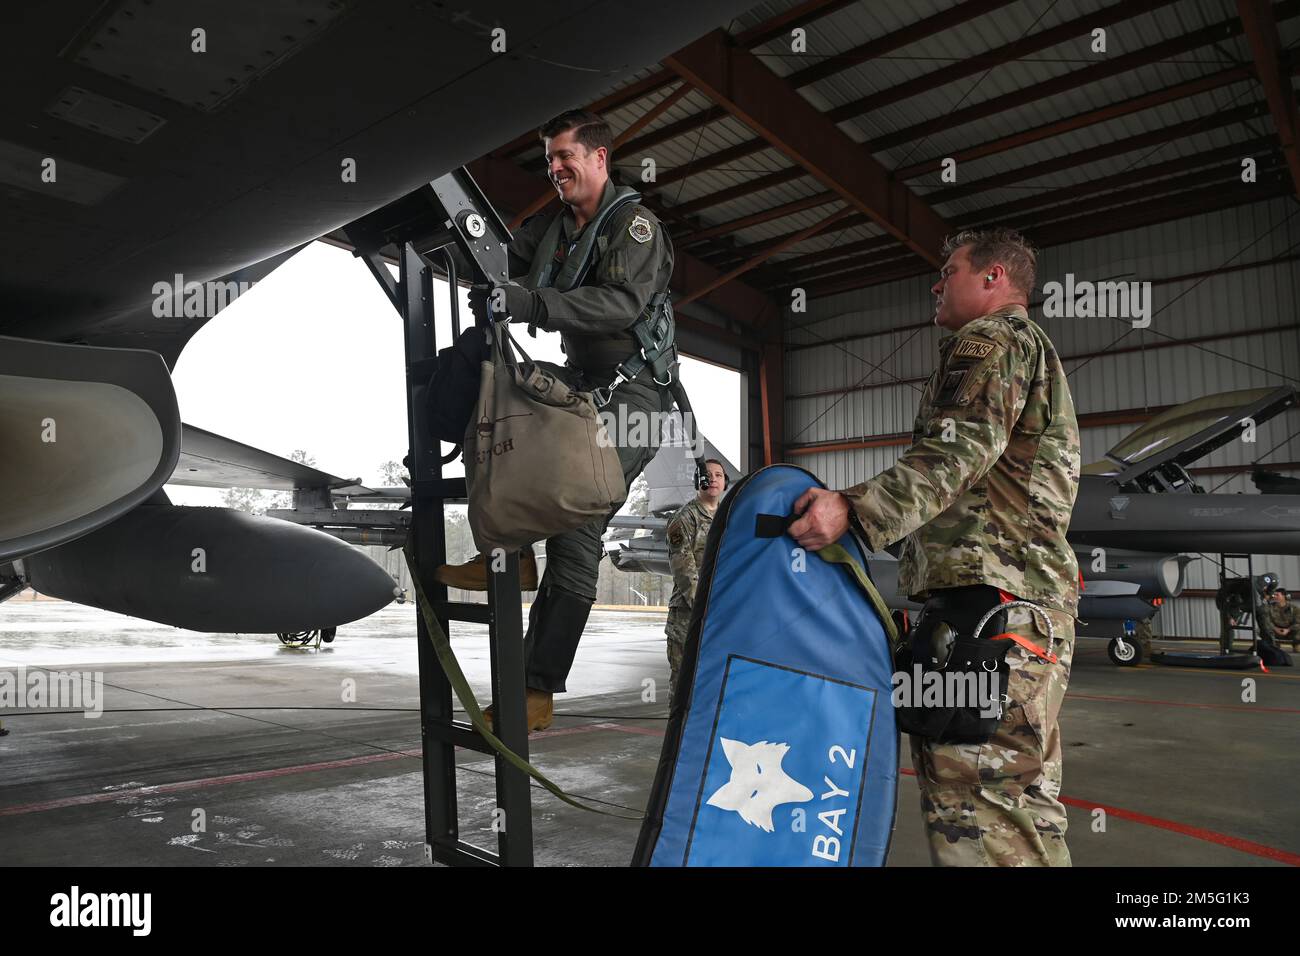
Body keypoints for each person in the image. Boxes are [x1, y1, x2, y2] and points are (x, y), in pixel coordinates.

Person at [788, 228, 1081, 867]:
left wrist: (853, 509)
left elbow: (955, 451)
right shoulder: (1033, 350)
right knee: (1023, 807)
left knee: (973, 811)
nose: (936, 283)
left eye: (949, 270)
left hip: (990, 610)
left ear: (994, 278)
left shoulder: (991, 341)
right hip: (1026, 614)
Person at [437, 109, 676, 732]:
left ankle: (535, 693)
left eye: (566, 156)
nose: (556, 168)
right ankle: (510, 555)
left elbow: (621, 304)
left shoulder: (634, 225)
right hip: (583, 387)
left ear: (599, 157)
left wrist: (528, 301)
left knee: (577, 520)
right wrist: (474, 265)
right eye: (550, 159)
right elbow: (504, 263)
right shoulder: (556, 226)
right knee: (499, 396)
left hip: (637, 397)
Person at [664, 460, 727, 703]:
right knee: (684, 685)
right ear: (697, 480)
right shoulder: (684, 518)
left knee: (714, 683)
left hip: (720, 614)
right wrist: (706, 608)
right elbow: (684, 570)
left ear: (724, 482)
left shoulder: (727, 518)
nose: (713, 479)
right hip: (688, 616)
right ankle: (678, 740)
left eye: (719, 475)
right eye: (707, 474)